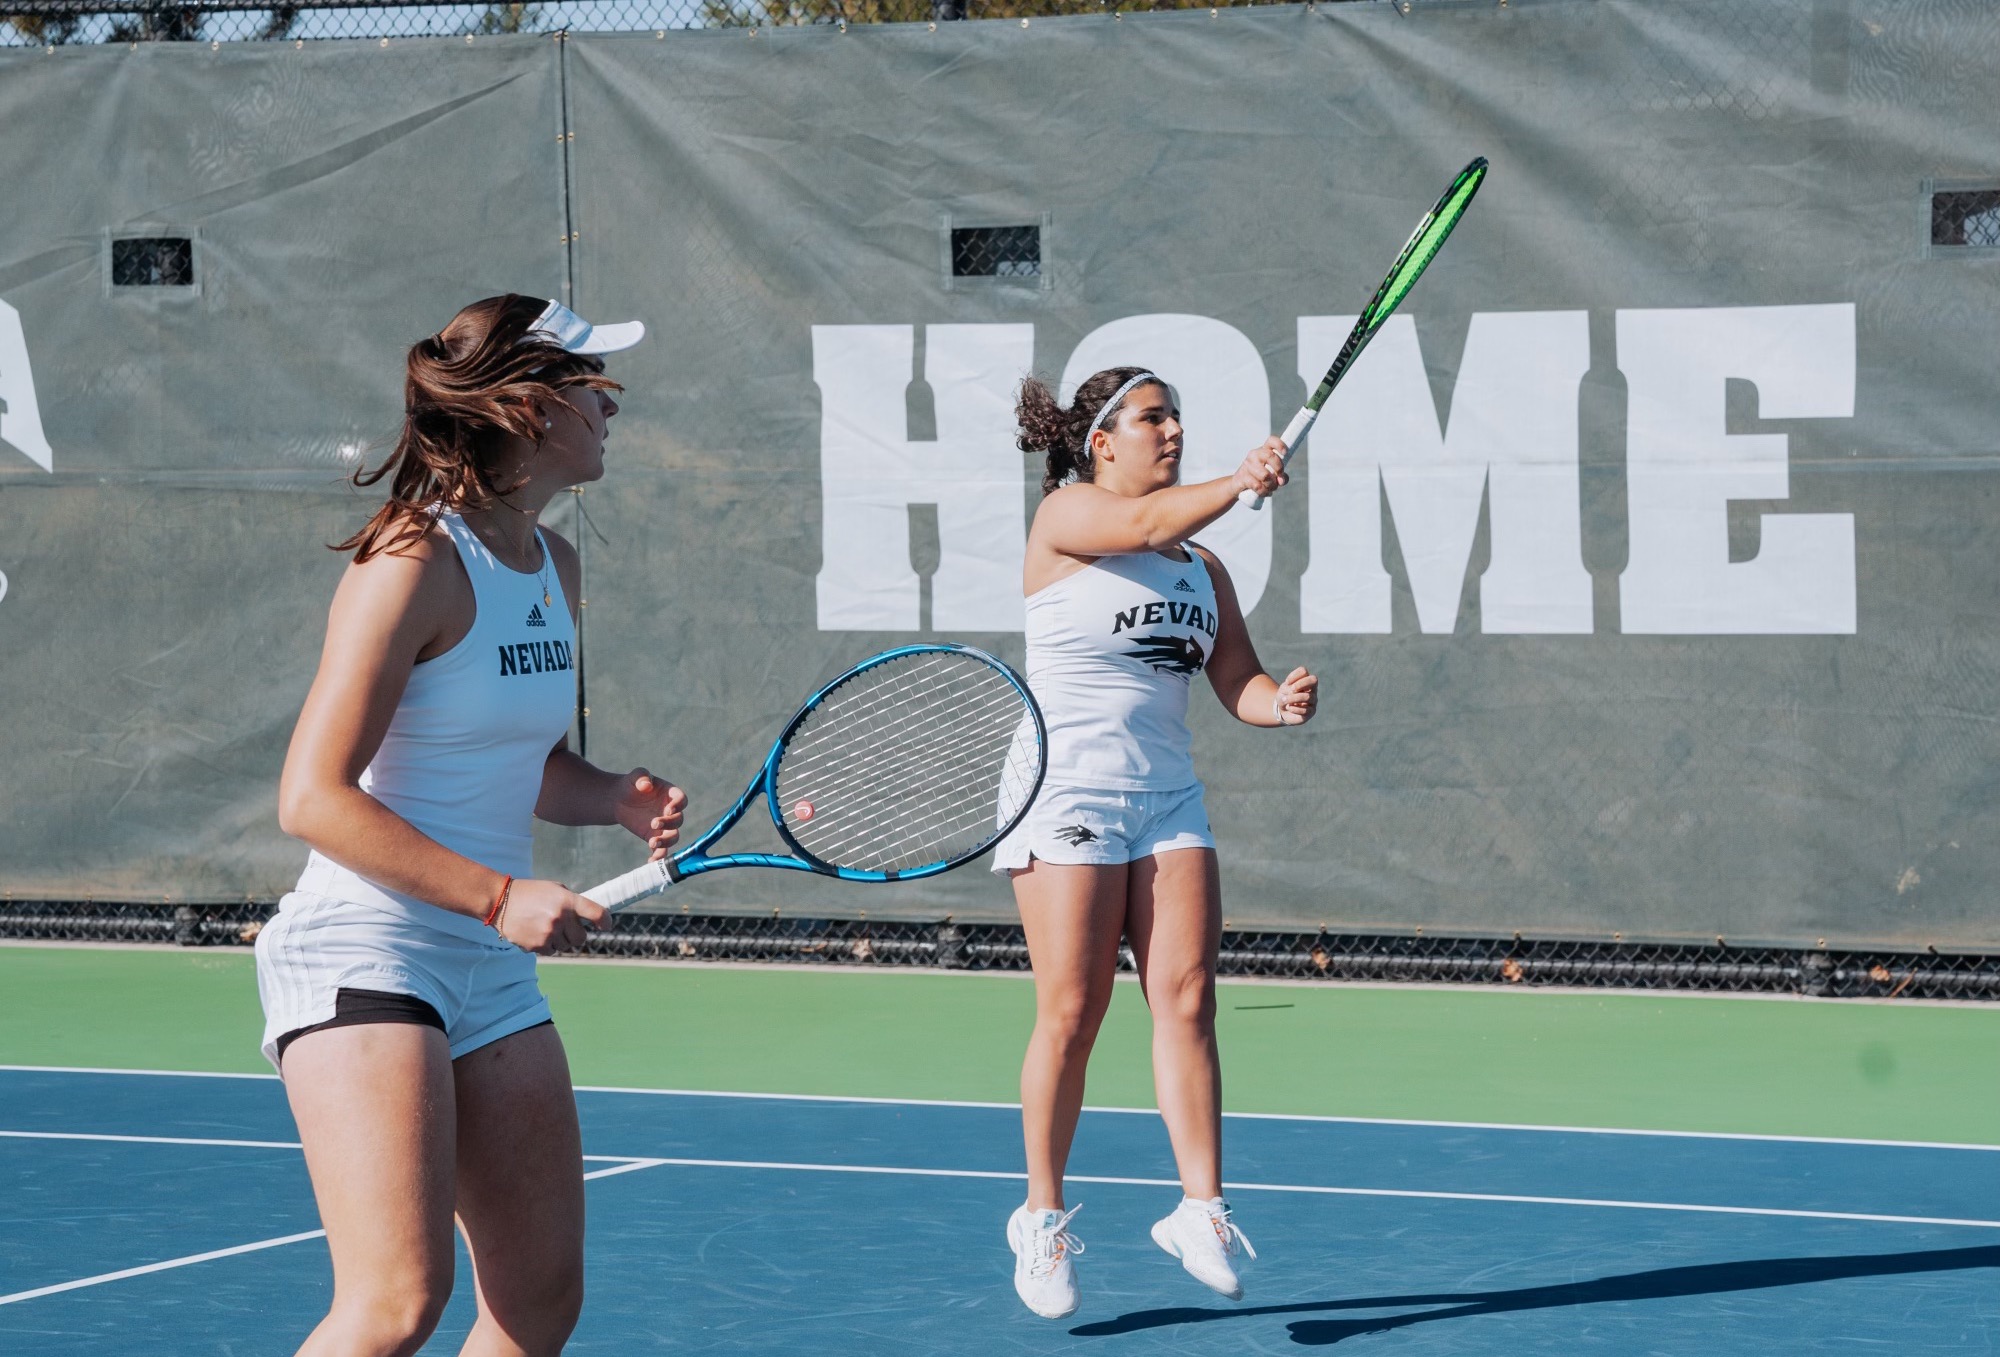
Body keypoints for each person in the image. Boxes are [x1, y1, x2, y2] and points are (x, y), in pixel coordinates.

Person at [255, 294, 687, 1357]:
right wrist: (499, 895)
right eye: (594, 389)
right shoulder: (410, 560)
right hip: (368, 948)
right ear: (534, 407)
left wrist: (609, 794)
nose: (610, 409)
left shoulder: (552, 568)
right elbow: (312, 794)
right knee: (396, 1301)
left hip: (484, 968)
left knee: (537, 1304)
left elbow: (518, 762)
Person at [997, 367, 1319, 1319]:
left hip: (1166, 793)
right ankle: (1042, 1219)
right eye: (1153, 416)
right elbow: (1141, 526)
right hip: (1068, 787)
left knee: (1186, 997)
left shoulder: (1202, 569)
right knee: (1074, 1008)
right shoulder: (1067, 519)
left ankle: (1199, 1209)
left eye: (1179, 413)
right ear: (1101, 439)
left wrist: (1280, 704)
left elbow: (1239, 684)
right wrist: (1241, 478)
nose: (1172, 428)